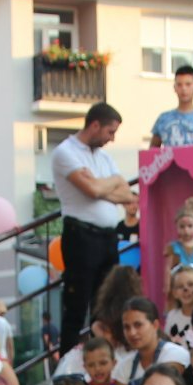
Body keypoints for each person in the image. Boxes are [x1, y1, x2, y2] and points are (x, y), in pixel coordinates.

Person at [52, 102, 134, 340]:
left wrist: (102, 185)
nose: (112, 138)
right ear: (95, 125)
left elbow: (126, 194)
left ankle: (103, 357)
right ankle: (68, 362)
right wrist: (107, 184)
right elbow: (91, 190)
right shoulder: (66, 152)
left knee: (107, 302)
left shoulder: (105, 157)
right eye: (110, 132)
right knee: (77, 304)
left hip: (108, 237)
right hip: (81, 236)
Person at [151, 63, 193, 147]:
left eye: (188, 84)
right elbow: (152, 150)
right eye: (179, 85)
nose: (184, 89)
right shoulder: (163, 118)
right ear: (174, 87)